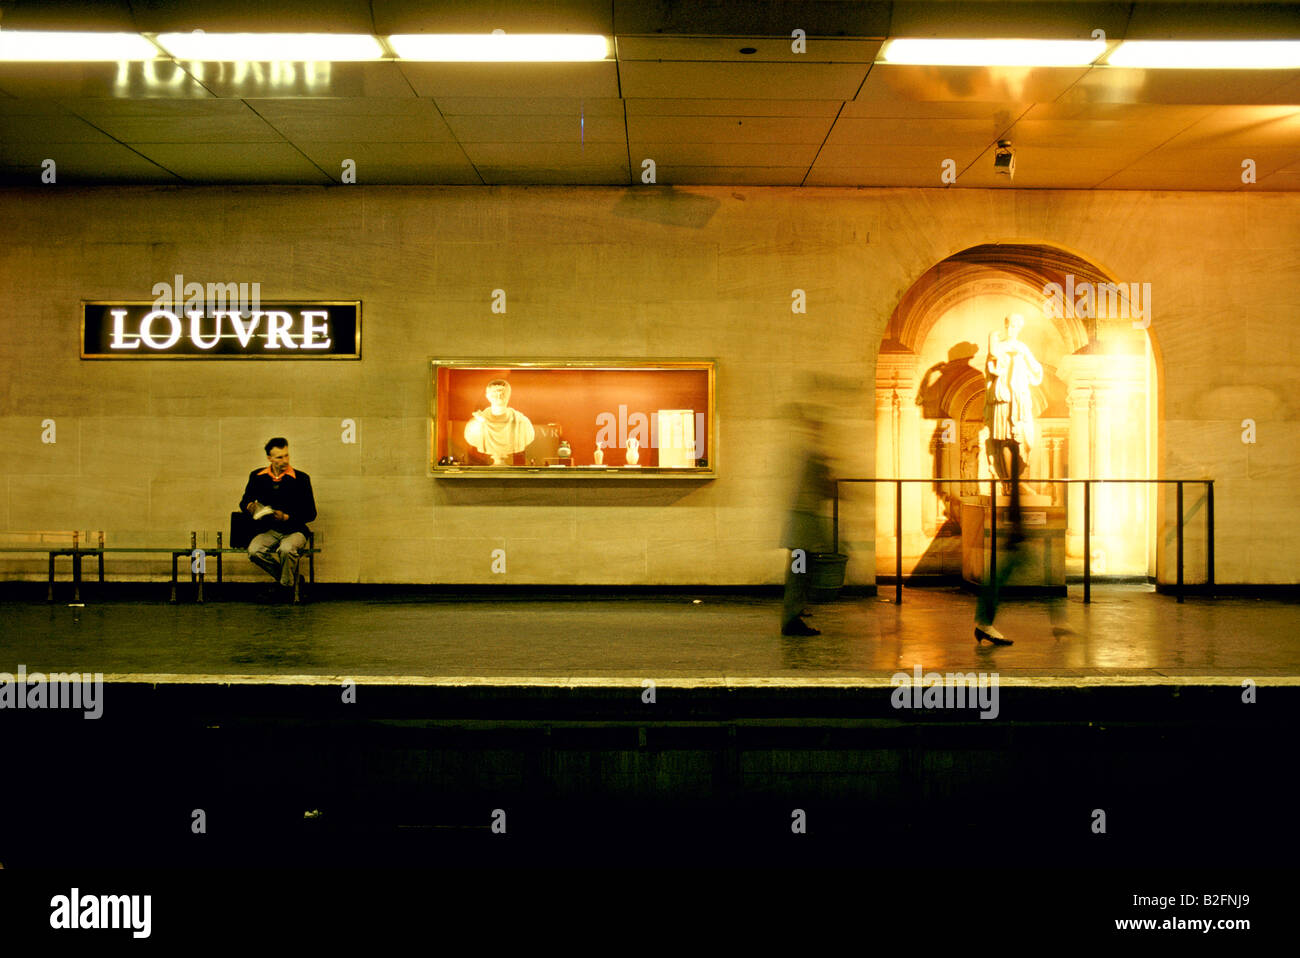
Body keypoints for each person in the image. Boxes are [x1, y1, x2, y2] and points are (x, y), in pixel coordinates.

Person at [975, 314, 1042, 646]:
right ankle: (984, 621)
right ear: (1005, 325)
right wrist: (996, 353)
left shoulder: (1021, 346)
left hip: (1017, 394)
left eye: (1018, 324)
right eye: (1011, 324)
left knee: (1020, 438)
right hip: (1003, 396)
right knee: (1003, 438)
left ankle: (985, 620)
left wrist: (1026, 370)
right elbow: (992, 367)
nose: (1014, 329)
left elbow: (1037, 372)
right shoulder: (998, 343)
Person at [780, 407, 835, 636]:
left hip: (800, 532)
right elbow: (824, 488)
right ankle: (791, 621)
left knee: (799, 574)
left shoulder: (804, 455)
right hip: (802, 534)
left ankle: (794, 614)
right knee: (798, 575)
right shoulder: (813, 457)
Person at [240, 437, 316, 596]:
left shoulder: (301, 479)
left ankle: (284, 587)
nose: (285, 460)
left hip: (295, 530)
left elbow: (311, 513)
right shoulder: (257, 476)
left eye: (286, 455)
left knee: (287, 549)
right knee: (254, 551)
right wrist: (250, 506)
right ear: (270, 458)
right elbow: (244, 501)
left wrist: (286, 517)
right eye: (280, 457)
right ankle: (290, 581)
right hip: (269, 530)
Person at [464, 379, 535, 465]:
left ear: (509, 395)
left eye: (503, 393)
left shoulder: (522, 422)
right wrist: (479, 422)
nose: (499, 396)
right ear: (487, 396)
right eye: (495, 393)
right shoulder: (476, 424)